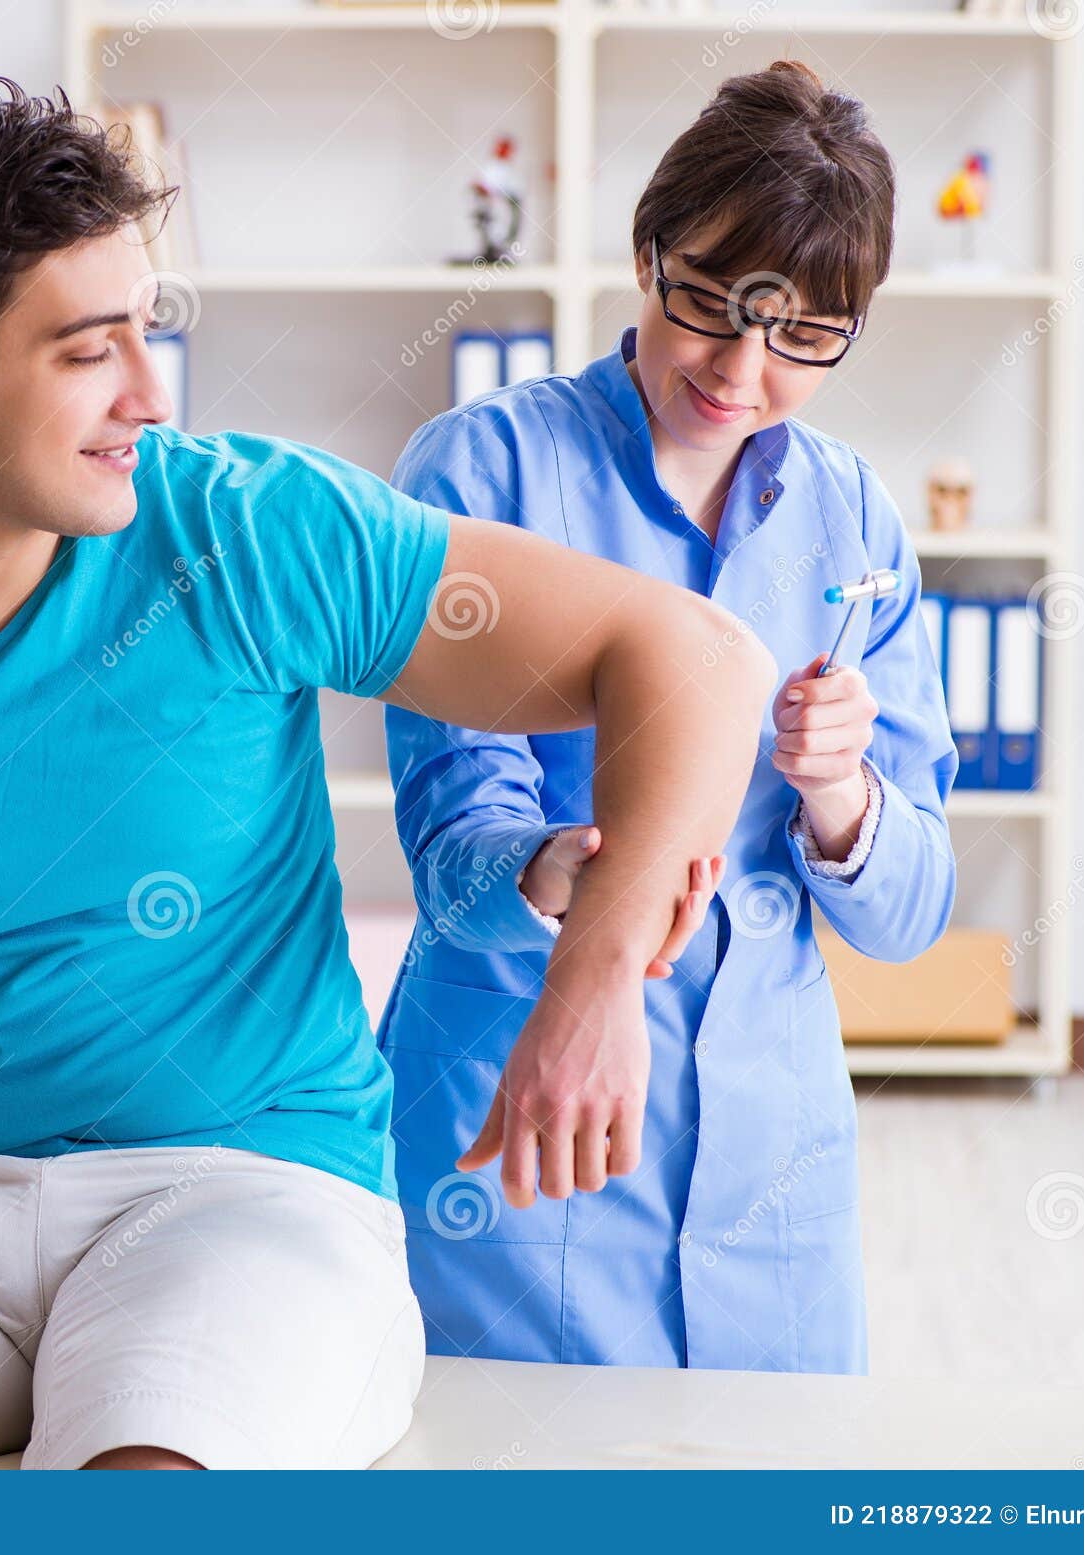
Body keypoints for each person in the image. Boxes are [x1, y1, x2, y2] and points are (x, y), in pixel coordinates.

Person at [0, 77, 773, 1471]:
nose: (149, 394)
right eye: (87, 351)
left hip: (245, 1195)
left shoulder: (238, 527)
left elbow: (693, 657)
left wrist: (598, 978)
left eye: (147, 332)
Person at [378, 60, 958, 1375]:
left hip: (773, 1169)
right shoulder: (483, 470)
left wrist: (844, 797)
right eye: (710, 305)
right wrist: (591, 879)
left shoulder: (853, 517)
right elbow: (453, 856)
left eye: (805, 337)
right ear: (648, 254)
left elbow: (913, 911)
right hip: (520, 1120)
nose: (743, 372)